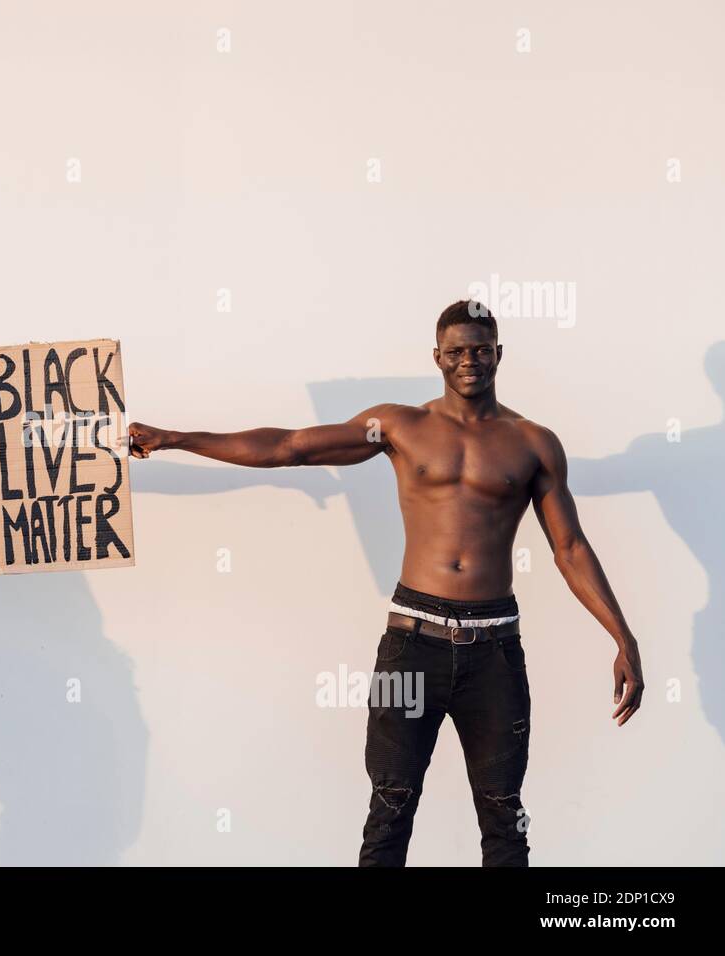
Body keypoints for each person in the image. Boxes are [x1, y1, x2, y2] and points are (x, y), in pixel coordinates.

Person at [127, 300, 644, 866]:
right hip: (412, 646)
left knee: (504, 816)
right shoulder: (400, 426)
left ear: (499, 354)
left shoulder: (533, 442)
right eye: (456, 352)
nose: (469, 360)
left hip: (495, 651)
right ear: (437, 358)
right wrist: (178, 438)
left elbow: (568, 548)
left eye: (480, 349)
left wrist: (624, 638)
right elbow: (290, 446)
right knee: (390, 810)